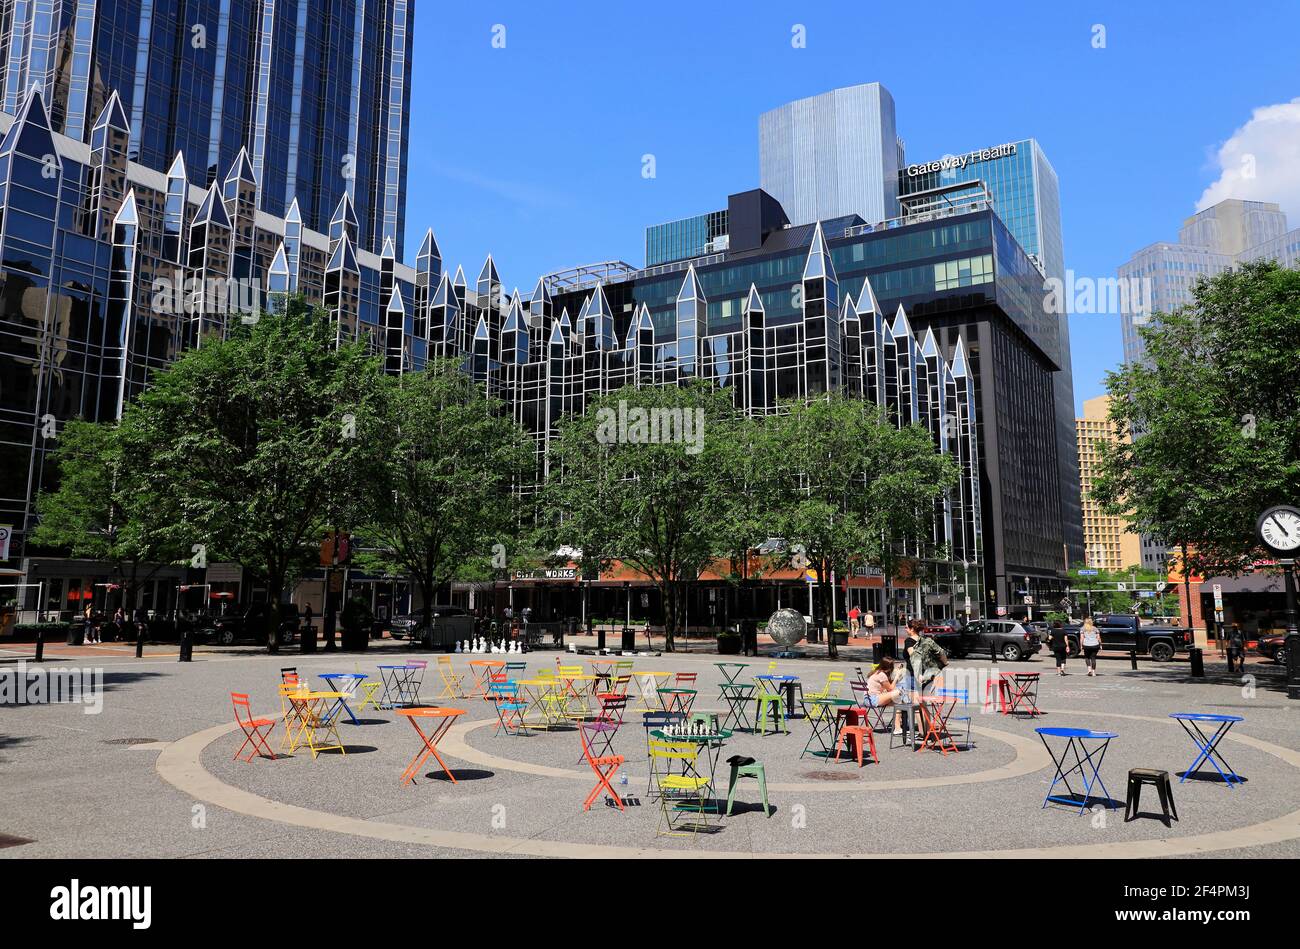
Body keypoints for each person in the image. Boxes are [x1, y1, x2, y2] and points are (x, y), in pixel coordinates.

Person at [866, 657, 910, 734]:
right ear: (888, 667)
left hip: (870, 698)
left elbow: (889, 686)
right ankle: (898, 727)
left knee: (900, 701)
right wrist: (897, 677)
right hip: (873, 699)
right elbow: (890, 689)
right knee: (898, 693)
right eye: (892, 666)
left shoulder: (877, 672)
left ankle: (900, 725)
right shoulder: (881, 675)